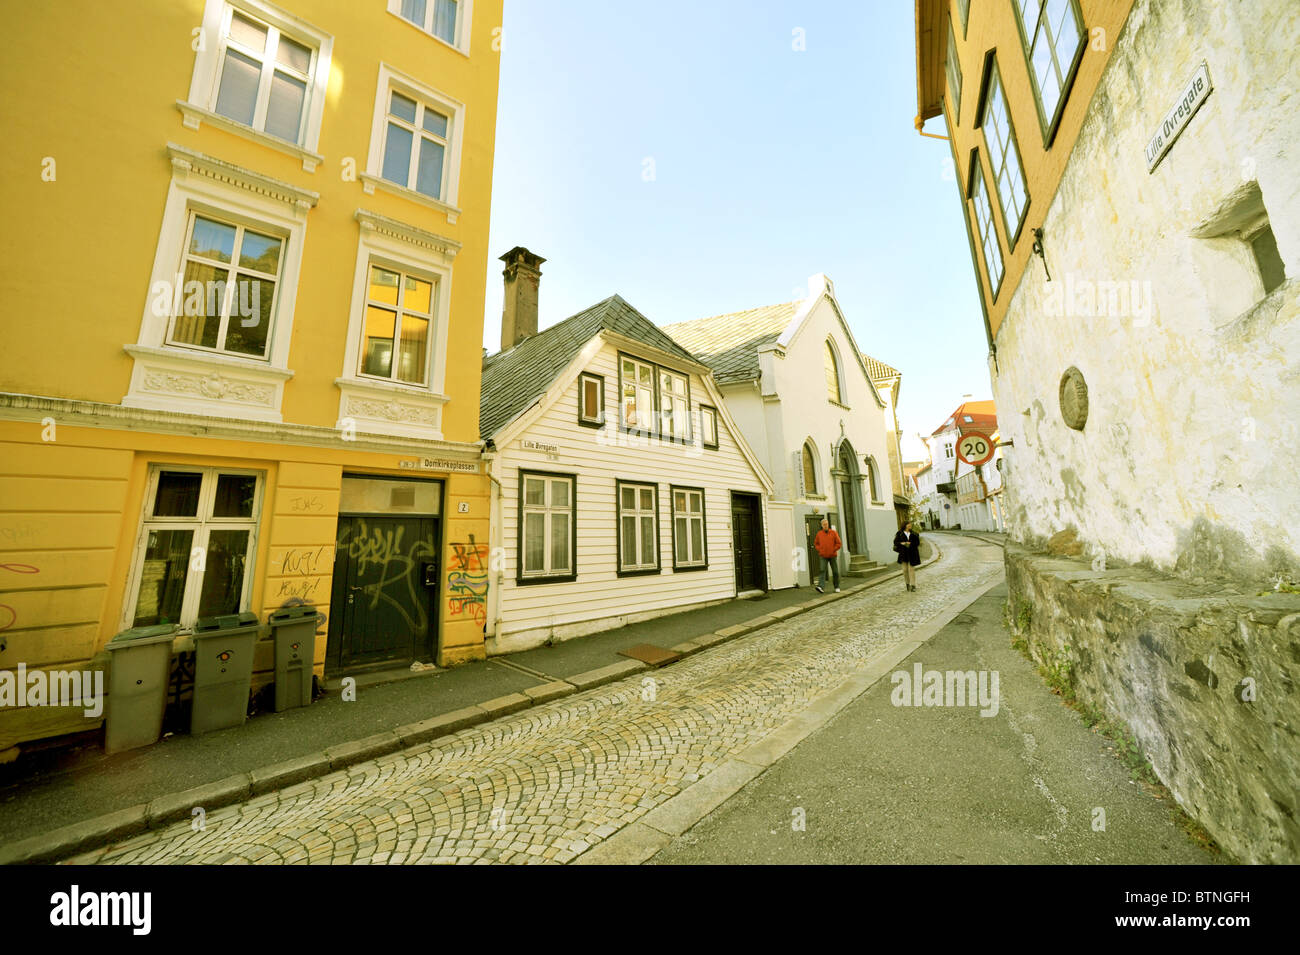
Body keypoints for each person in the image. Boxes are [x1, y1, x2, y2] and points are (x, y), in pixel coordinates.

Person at [813, 517, 842, 594]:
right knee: (822, 570)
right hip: (823, 555)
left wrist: (833, 549)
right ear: (822, 525)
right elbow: (816, 543)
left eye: (826, 524)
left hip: (832, 555)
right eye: (824, 524)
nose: (825, 525)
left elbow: (839, 543)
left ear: (828, 524)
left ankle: (837, 587)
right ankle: (821, 587)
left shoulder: (833, 533)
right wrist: (820, 549)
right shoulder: (819, 534)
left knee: (835, 571)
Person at [894, 520, 921, 591]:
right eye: (908, 524)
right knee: (905, 570)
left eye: (910, 524)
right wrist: (902, 543)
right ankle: (907, 584)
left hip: (912, 553)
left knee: (911, 569)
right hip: (903, 554)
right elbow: (895, 542)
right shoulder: (899, 533)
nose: (910, 525)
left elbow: (917, 543)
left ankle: (913, 585)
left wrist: (910, 544)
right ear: (905, 525)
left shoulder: (914, 533)